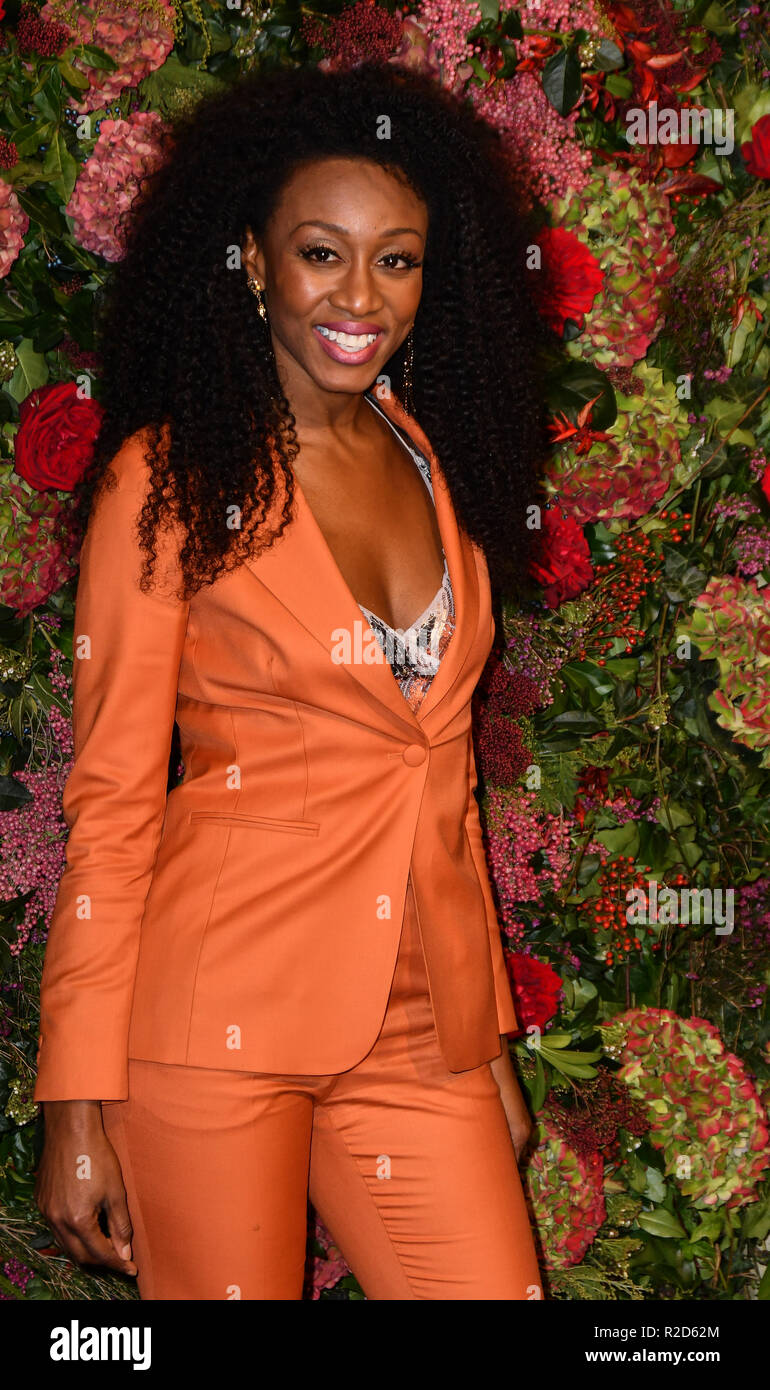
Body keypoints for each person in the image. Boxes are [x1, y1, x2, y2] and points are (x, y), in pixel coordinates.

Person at [32, 60, 548, 1300]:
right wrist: (73, 1097)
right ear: (253, 263)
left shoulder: (436, 463)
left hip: (419, 1030)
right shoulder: (161, 486)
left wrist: (484, 1047)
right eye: (321, 252)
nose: (357, 296)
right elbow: (110, 806)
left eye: (397, 259)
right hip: (214, 1029)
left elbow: (443, 781)